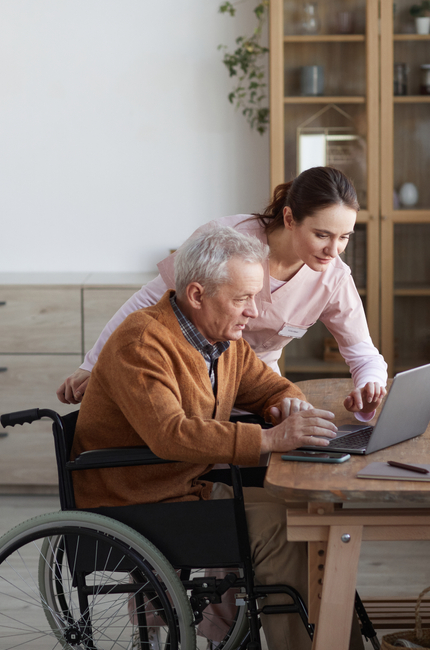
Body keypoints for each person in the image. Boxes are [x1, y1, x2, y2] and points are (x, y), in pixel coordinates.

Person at [71, 224, 340, 649]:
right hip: (138, 501)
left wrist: (288, 404)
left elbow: (268, 386)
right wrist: (270, 440)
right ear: (197, 295)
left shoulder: (221, 340)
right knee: (283, 529)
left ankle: (323, 637)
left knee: (306, 513)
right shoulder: (142, 341)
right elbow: (170, 434)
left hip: (186, 485)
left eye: (256, 296)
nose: (254, 311)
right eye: (243, 298)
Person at [59, 166, 387, 422]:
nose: (334, 249)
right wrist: (92, 364)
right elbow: (148, 303)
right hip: (191, 376)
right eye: (322, 235)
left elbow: (363, 353)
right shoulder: (226, 240)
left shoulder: (333, 278)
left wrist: (369, 385)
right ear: (289, 218)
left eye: (345, 237)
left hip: (255, 383)